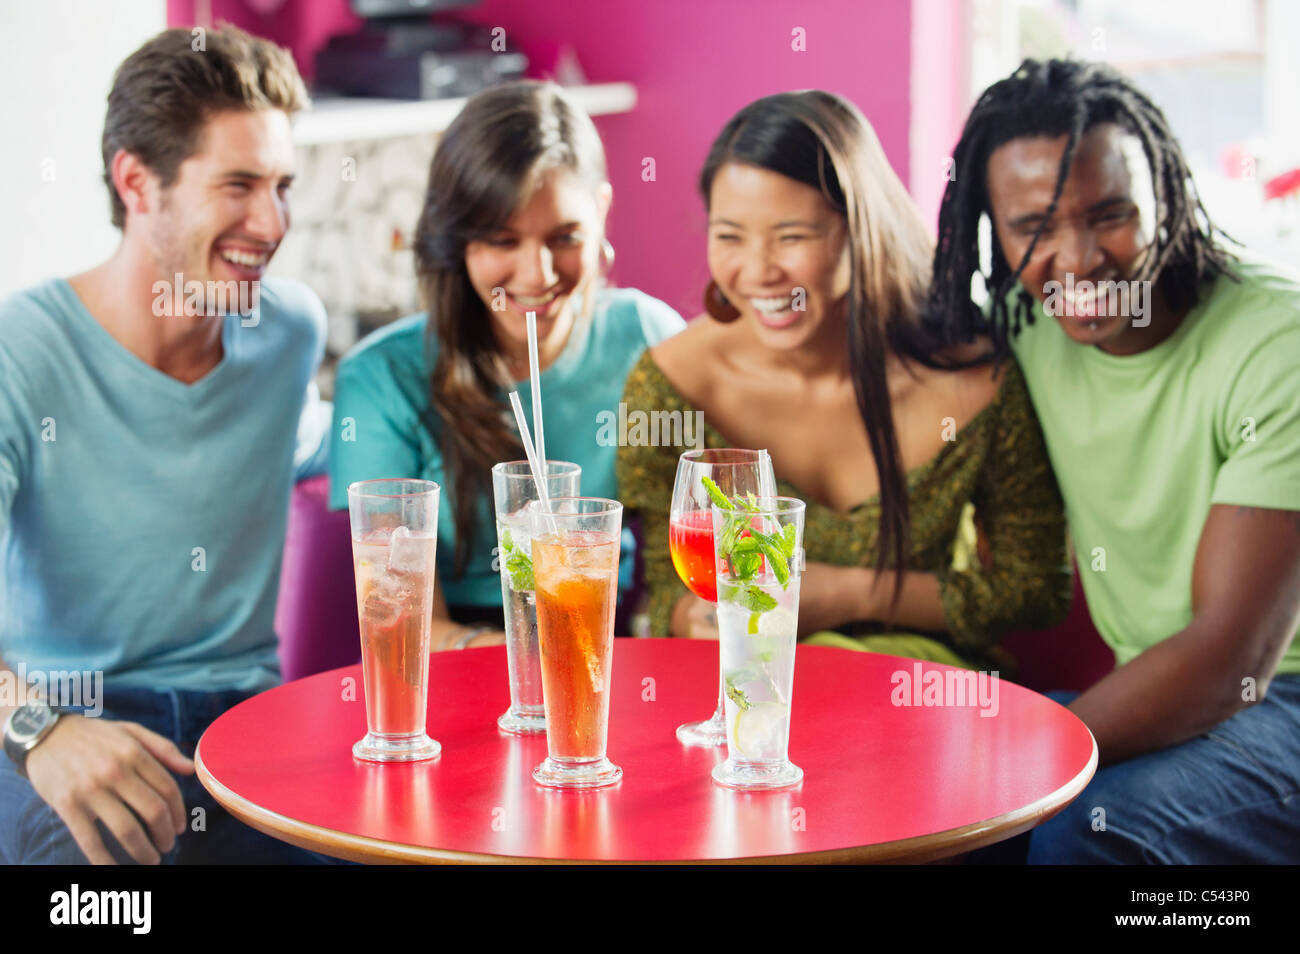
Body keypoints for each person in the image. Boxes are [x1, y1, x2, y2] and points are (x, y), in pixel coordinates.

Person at [928, 59, 1300, 863]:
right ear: (994, 230)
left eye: (1111, 214)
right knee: (932, 808)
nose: (1081, 259)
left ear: (1167, 189)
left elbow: (1234, 655)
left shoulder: (1278, 344)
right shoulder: (1023, 329)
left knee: (1079, 829)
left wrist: (1025, 761)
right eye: (1034, 229)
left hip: (1275, 704)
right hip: (1157, 693)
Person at [0, 27, 335, 864]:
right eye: (238, 185)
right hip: (70, 720)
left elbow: (336, 455)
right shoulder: (21, 353)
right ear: (136, 182)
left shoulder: (288, 331)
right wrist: (39, 729)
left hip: (249, 730)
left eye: (283, 185)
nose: (273, 222)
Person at [616, 91, 1071, 671]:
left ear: (863, 229)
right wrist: (703, 619)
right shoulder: (671, 384)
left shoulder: (976, 380)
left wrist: (840, 595)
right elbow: (666, 595)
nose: (757, 271)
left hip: (926, 694)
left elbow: (1033, 590)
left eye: (792, 236)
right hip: (749, 698)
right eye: (729, 236)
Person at [328, 81, 684, 651]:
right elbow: (392, 620)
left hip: (603, 653)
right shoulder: (380, 379)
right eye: (501, 239)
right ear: (458, 238)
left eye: (565, 237)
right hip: (451, 661)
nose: (537, 273)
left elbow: (684, 550)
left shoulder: (649, 338)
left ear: (601, 213)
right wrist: (526, 660)